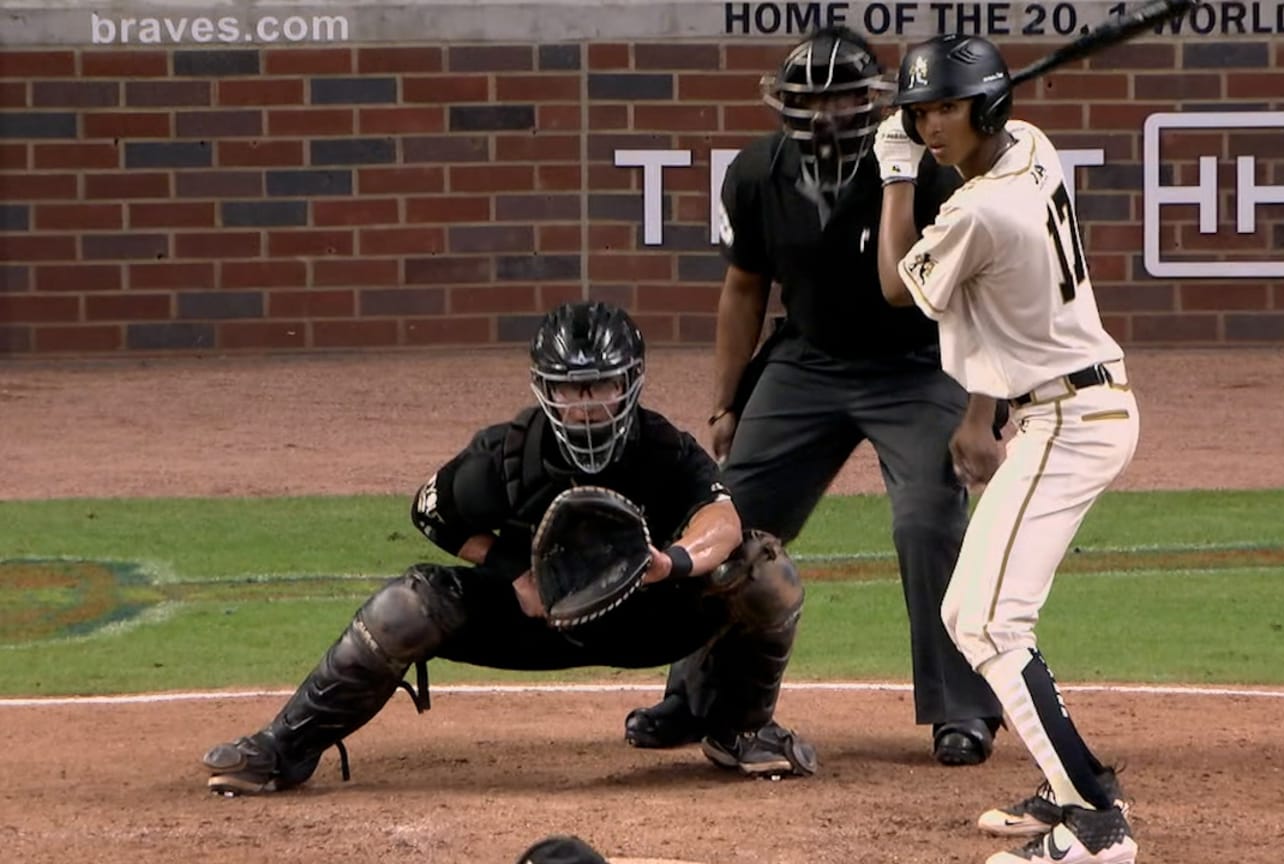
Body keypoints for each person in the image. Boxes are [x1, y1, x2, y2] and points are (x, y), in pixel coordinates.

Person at [200, 301, 817, 795]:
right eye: (570, 390)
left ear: (630, 383)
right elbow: (429, 511)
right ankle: (283, 748)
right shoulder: (506, 455)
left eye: (600, 385)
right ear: (544, 390)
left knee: (766, 570)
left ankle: (738, 730)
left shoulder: (662, 446)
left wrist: (668, 564)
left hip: (647, 616)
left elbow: (725, 521)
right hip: (533, 622)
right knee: (408, 604)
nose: (586, 406)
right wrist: (512, 573)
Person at [622, 24, 1005, 767]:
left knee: (928, 518)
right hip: (807, 360)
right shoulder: (757, 172)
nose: (826, 115)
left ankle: (963, 708)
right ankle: (696, 695)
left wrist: (982, 412)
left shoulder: (929, 170)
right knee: (724, 518)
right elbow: (743, 290)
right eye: (810, 101)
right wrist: (727, 403)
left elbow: (987, 299)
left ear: (875, 100)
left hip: (921, 364)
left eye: (842, 99)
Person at [874, 34, 1141, 864]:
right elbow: (993, 308)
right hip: (1060, 407)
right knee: (970, 613)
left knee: (989, 622)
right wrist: (982, 414)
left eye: (946, 109)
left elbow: (893, 284)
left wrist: (892, 175)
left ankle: (1097, 827)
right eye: (917, 114)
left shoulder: (976, 211)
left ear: (988, 107)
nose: (928, 129)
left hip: (1070, 421)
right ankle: (1077, 784)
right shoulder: (1032, 146)